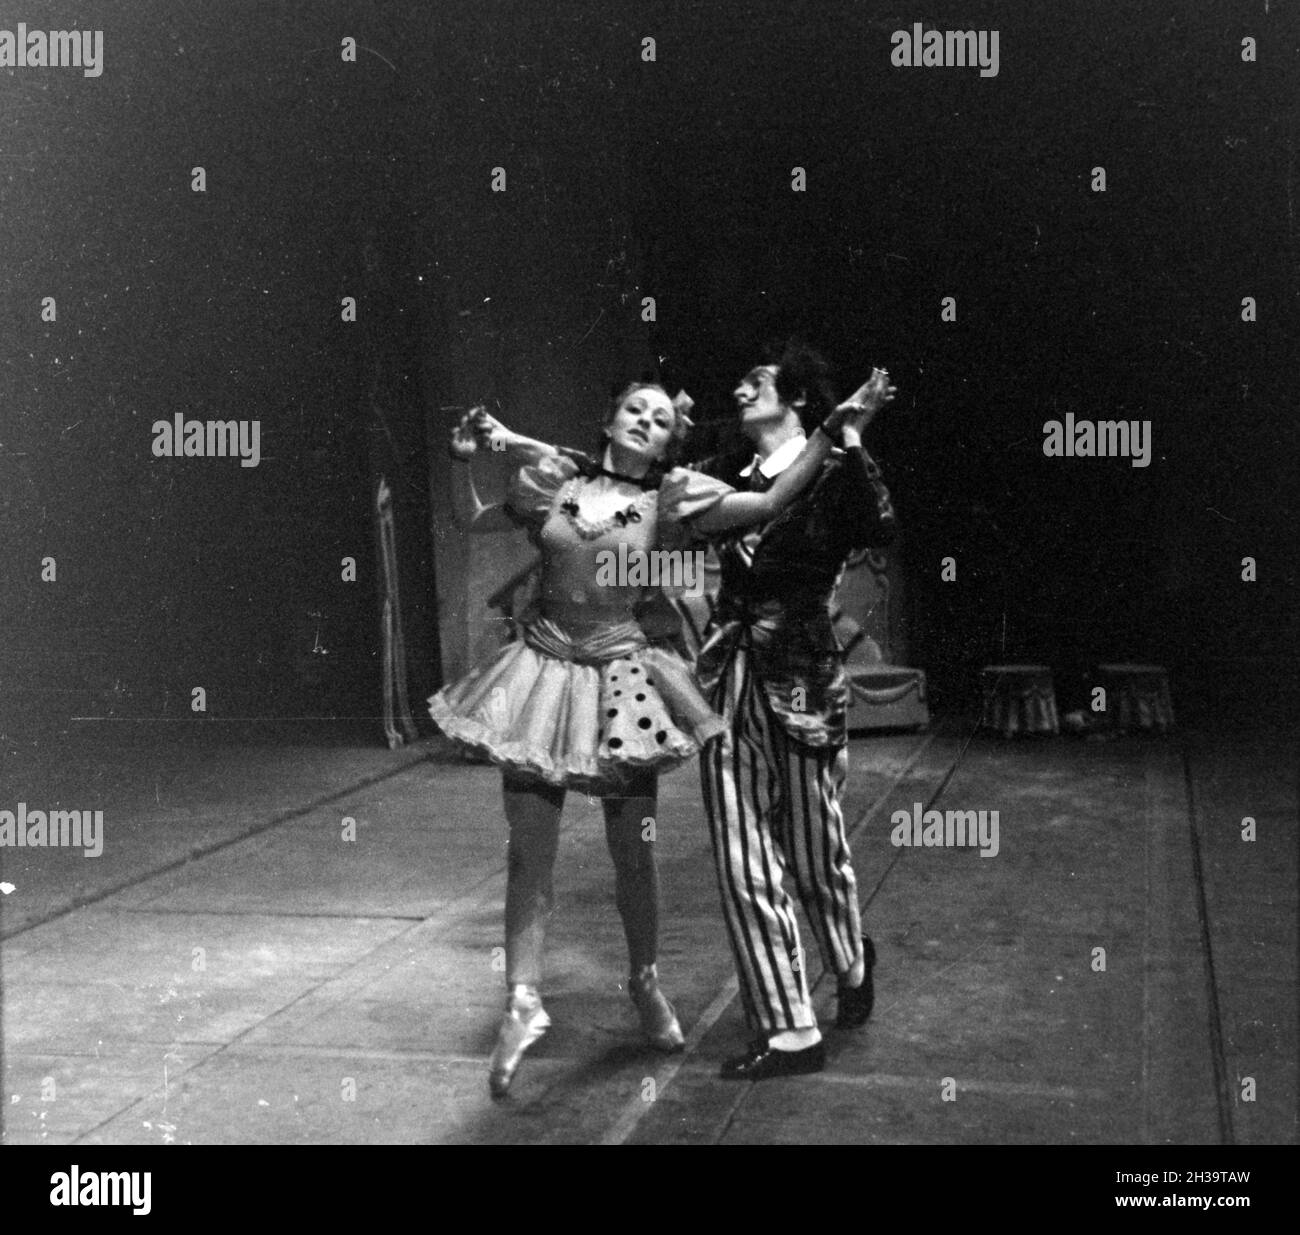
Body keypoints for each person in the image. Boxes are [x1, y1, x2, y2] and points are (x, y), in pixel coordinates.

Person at [432, 380, 873, 1097]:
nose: (645, 420)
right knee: (527, 852)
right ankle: (522, 1001)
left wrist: (828, 430)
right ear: (608, 419)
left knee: (632, 854)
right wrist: (464, 461)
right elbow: (473, 516)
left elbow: (763, 504)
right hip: (541, 675)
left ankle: (645, 984)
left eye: (661, 418)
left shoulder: (671, 499)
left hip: (620, 685)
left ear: (672, 439)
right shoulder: (556, 477)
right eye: (635, 409)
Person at [693, 343, 897, 1080]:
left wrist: (850, 437)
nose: (742, 387)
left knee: (815, 854)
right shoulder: (725, 478)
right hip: (727, 674)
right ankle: (789, 1030)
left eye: (759, 380)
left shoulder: (838, 473)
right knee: (741, 856)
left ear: (799, 400)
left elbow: (881, 527)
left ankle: (847, 958)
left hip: (801, 675)